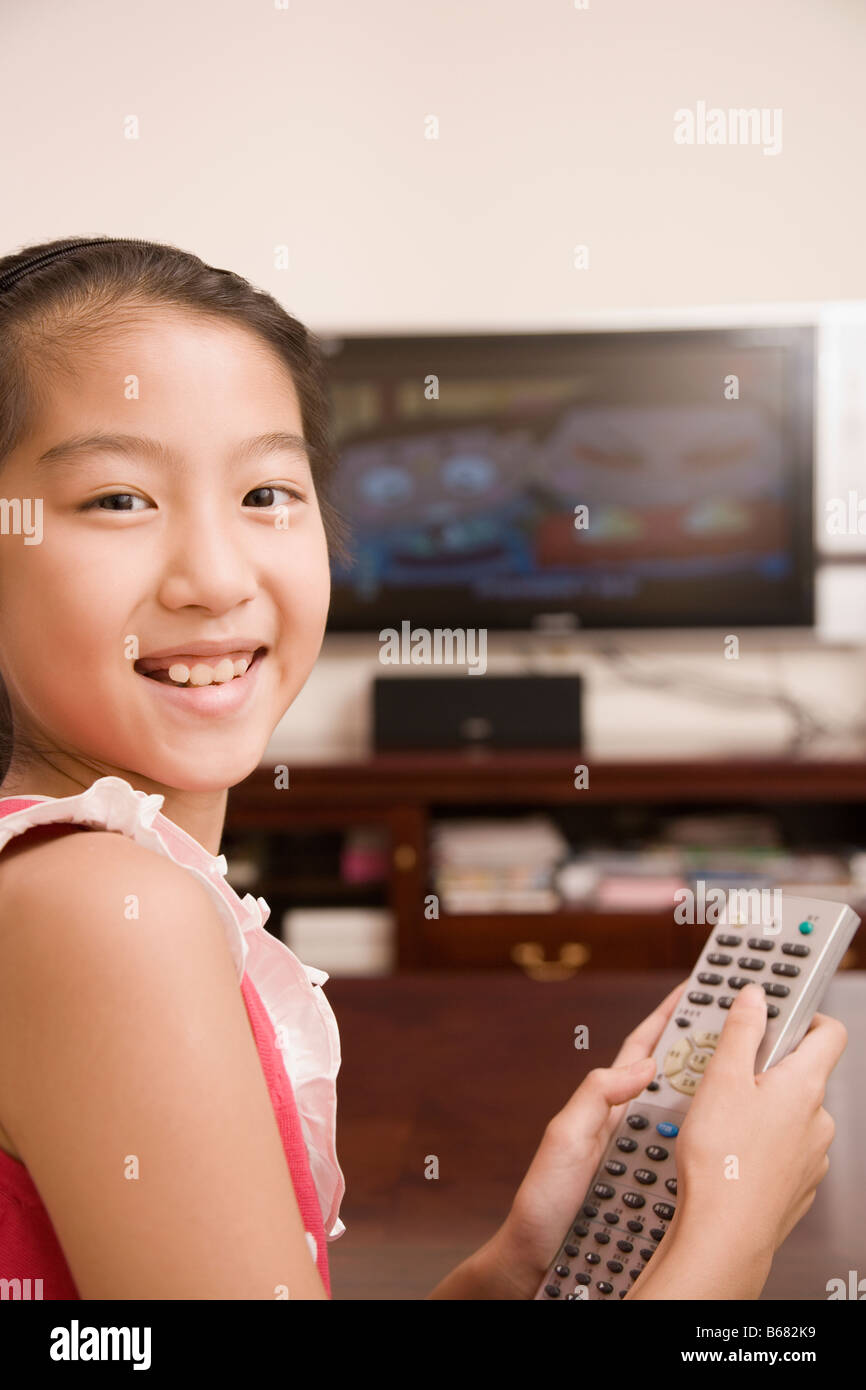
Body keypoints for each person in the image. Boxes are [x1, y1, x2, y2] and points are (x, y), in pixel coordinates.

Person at [0, 237, 847, 1300]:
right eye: (119, 499)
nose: (216, 575)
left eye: (267, 491)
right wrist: (726, 1233)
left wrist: (508, 1268)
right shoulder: (99, 907)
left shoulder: (78, 883)